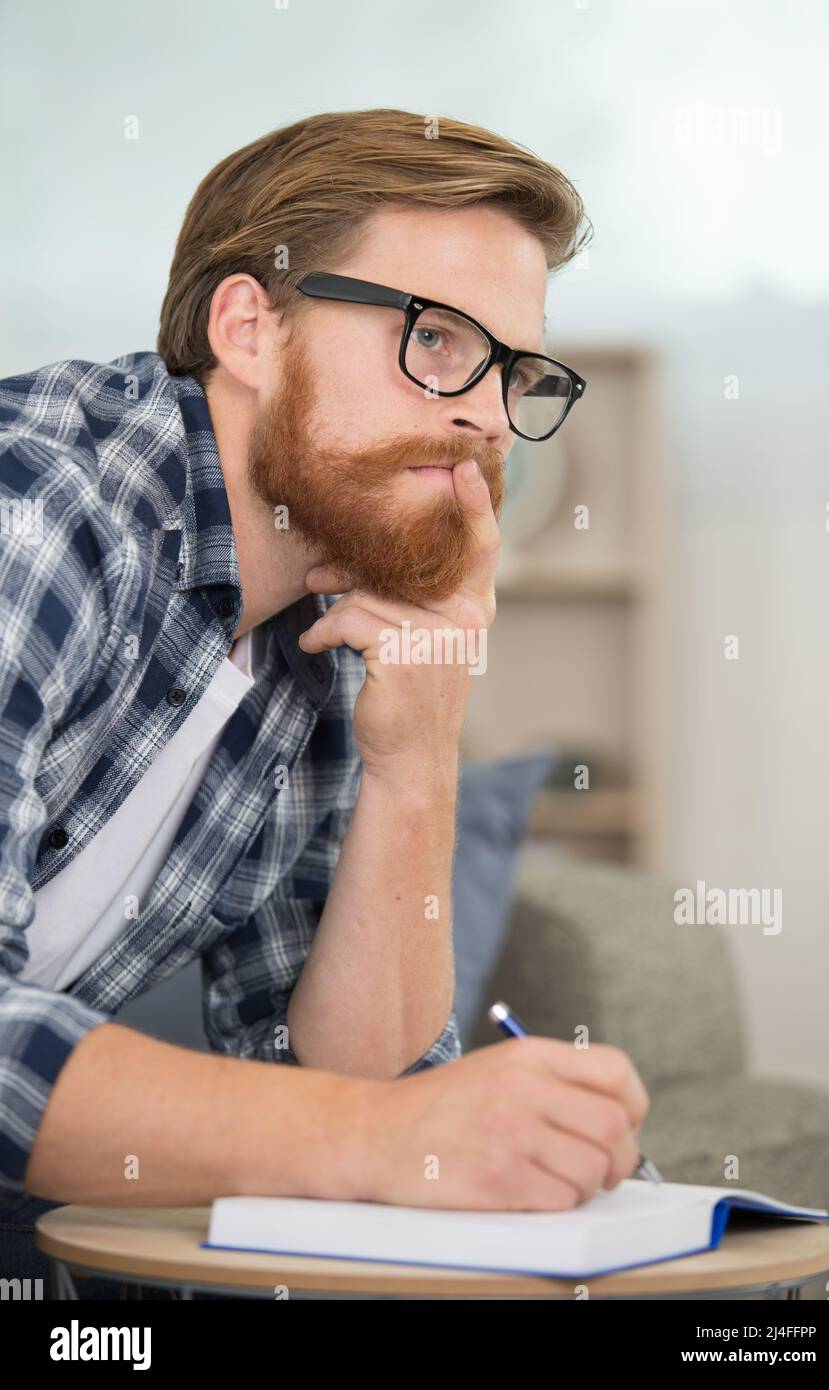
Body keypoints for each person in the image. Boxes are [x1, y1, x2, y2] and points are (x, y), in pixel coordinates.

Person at [0, 109, 649, 1297]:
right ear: (248, 327)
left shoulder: (329, 608)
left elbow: (354, 1081)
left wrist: (420, 758)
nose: (489, 419)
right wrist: (376, 1143)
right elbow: (368, 1137)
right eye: (437, 340)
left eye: (514, 369)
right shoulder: (40, 513)